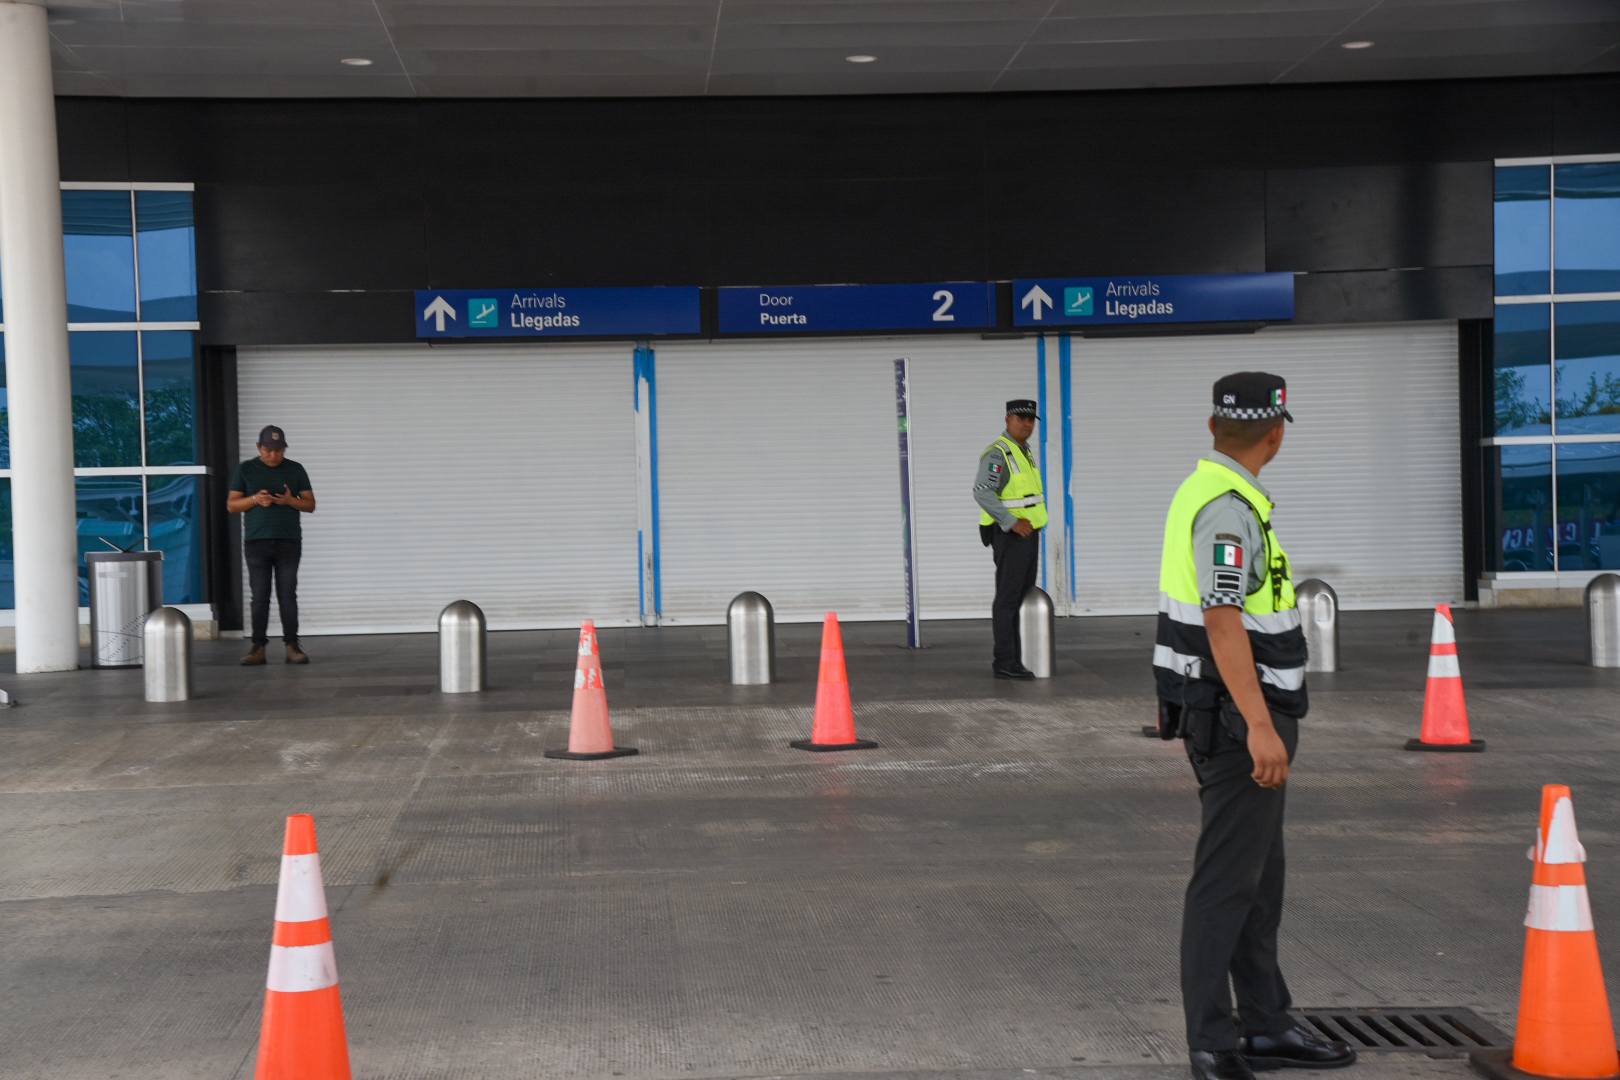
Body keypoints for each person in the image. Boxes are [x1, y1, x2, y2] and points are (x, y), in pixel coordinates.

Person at [1152, 373, 1354, 1080]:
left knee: (1259, 876)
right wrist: (1259, 724)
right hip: (1239, 720)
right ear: (1276, 433)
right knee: (1227, 883)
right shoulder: (1228, 509)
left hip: (1225, 711)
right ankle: (1213, 1041)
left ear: (1213, 428)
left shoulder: (1204, 492)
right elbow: (1222, 617)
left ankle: (1265, 1023)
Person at [227, 425, 316, 666]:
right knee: (260, 596)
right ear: (259, 447)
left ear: (284, 449)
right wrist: (256, 499)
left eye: (279, 450)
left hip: (288, 541)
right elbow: (232, 505)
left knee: (287, 594)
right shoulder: (246, 469)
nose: (274, 455)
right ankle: (258, 647)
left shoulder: (295, 469)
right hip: (257, 542)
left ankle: (292, 645)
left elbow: (309, 504)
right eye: (268, 450)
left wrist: (289, 500)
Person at [973, 399, 1048, 679]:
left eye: (1030, 420)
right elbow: (982, 492)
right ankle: (1004, 661)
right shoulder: (998, 453)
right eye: (1020, 419)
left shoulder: (1023, 451)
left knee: (1020, 597)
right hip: (1011, 536)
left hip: (1027, 534)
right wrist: (1011, 522)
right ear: (1007, 419)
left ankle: (1017, 658)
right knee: (1008, 598)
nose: (1026, 424)